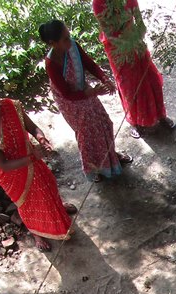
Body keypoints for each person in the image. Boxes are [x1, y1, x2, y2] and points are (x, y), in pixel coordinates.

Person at [0, 85, 75, 252]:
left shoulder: (10, 107)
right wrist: (33, 157)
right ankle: (36, 233)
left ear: (0, 103)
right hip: (8, 170)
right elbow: (3, 165)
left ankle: (59, 208)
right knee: (27, 201)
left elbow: (32, 128)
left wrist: (41, 139)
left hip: (28, 156)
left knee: (47, 185)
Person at [40, 20, 126, 182]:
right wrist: (92, 92)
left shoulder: (73, 46)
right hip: (70, 101)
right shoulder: (51, 64)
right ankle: (93, 167)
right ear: (53, 43)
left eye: (68, 36)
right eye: (65, 38)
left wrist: (104, 78)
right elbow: (66, 93)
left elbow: (89, 64)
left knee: (104, 122)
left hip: (83, 90)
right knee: (87, 134)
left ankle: (110, 156)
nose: (69, 40)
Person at [92, 0, 176, 137]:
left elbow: (140, 23)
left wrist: (138, 37)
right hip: (117, 49)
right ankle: (134, 122)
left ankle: (161, 115)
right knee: (129, 87)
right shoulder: (98, 3)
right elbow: (108, 34)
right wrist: (128, 45)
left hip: (135, 41)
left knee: (152, 79)